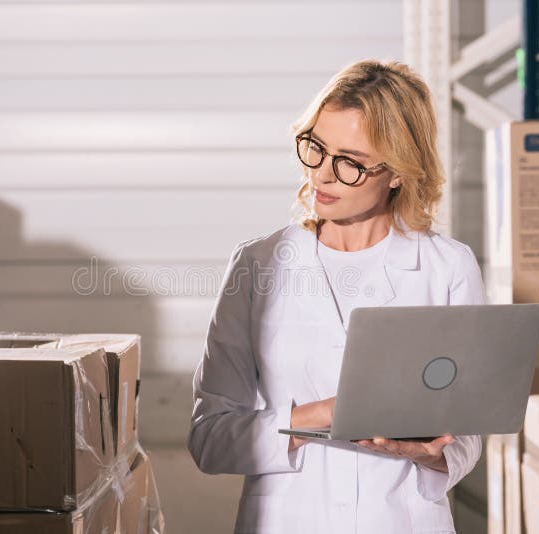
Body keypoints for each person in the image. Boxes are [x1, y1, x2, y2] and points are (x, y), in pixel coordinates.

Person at [186, 59, 484, 533]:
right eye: (316, 148)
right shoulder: (257, 264)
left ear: (399, 172)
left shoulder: (447, 266)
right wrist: (323, 414)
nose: (323, 175)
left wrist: (426, 453)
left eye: (349, 162)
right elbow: (210, 439)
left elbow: (465, 437)